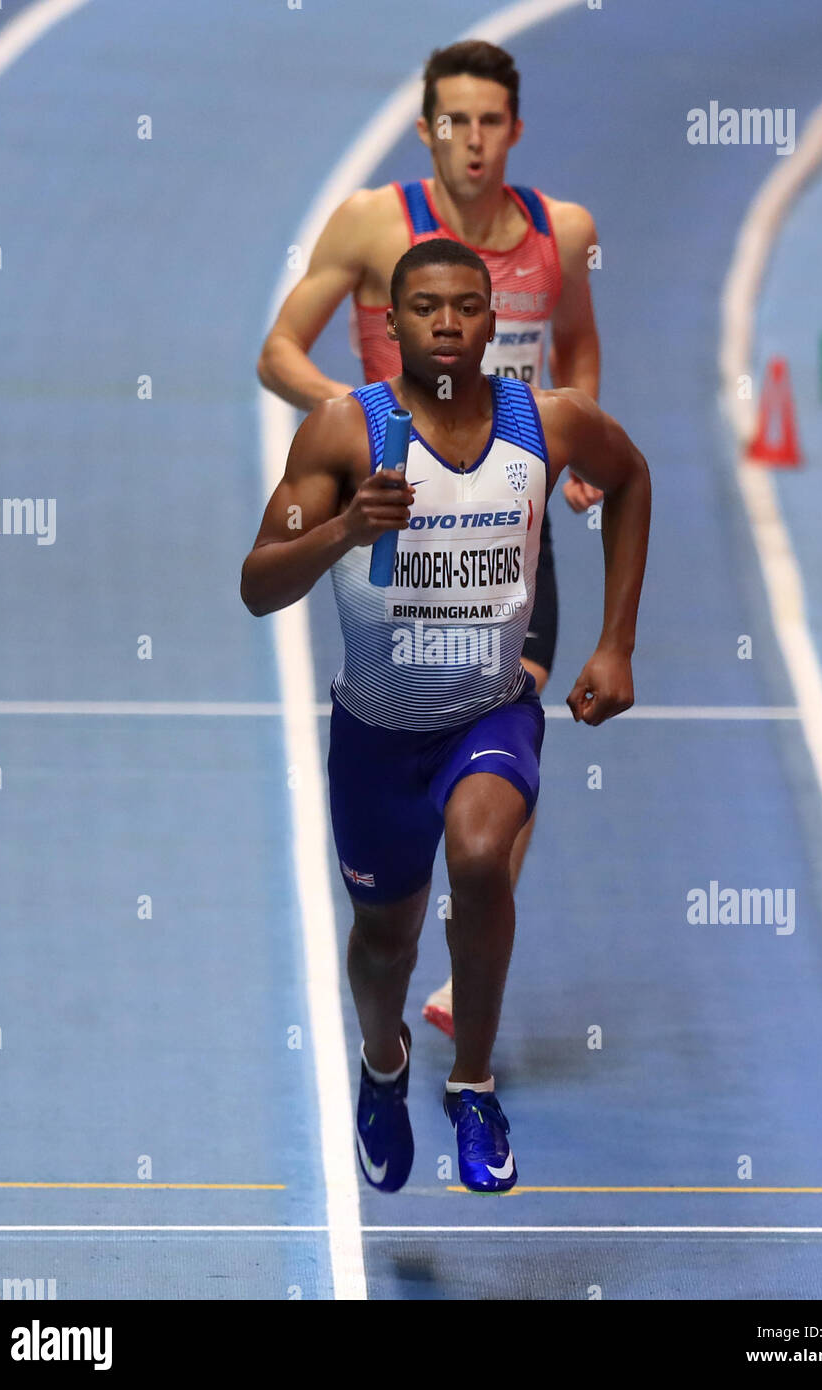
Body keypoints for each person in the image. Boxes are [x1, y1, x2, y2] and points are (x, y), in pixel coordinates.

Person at [241, 240, 650, 1192]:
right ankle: (383, 1068)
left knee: (478, 855)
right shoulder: (345, 435)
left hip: (489, 715)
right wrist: (347, 529)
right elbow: (259, 584)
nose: (449, 324)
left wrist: (615, 642)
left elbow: (628, 480)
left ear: (492, 321)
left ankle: (472, 1084)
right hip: (377, 741)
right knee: (384, 942)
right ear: (393, 324)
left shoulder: (547, 422)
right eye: (426, 308)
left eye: (468, 306)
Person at [256, 40, 605, 1038]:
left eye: (490, 121)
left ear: (516, 131)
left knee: (511, 718)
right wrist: (369, 418)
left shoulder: (560, 231)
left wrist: (573, 435)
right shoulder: (373, 222)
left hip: (509, 524)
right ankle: (401, 929)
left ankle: (472, 935)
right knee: (403, 733)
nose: (473, 140)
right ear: (426, 129)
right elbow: (278, 351)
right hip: (397, 539)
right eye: (454, 120)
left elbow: (576, 343)